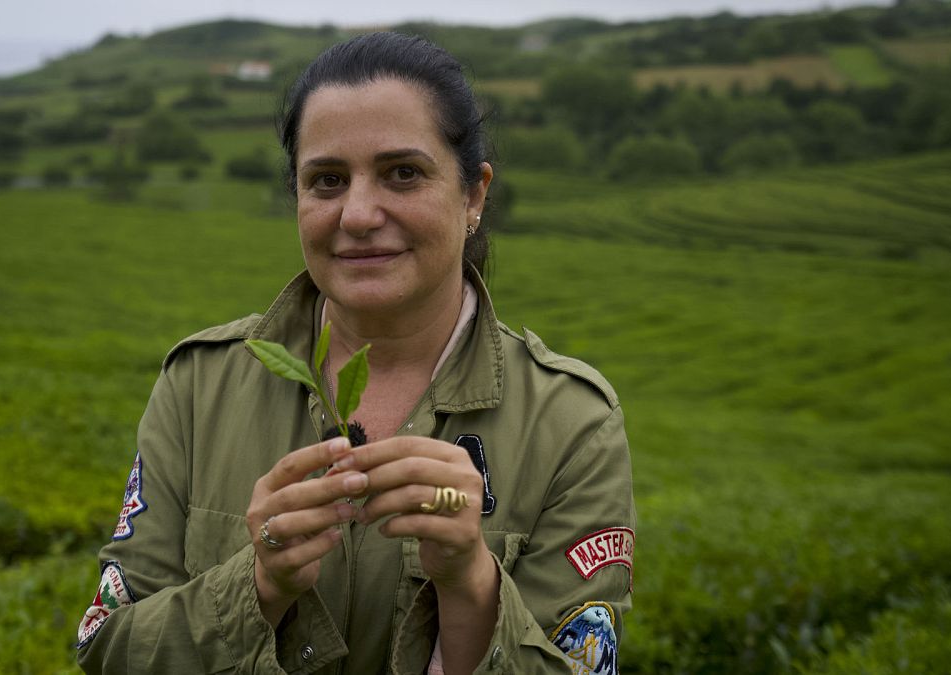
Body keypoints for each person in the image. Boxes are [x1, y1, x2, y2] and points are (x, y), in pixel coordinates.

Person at [76, 32, 635, 675]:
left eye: (403, 173)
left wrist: (471, 583)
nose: (360, 213)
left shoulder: (571, 424)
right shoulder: (199, 385)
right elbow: (106, 651)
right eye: (327, 180)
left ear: (474, 195)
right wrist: (257, 585)